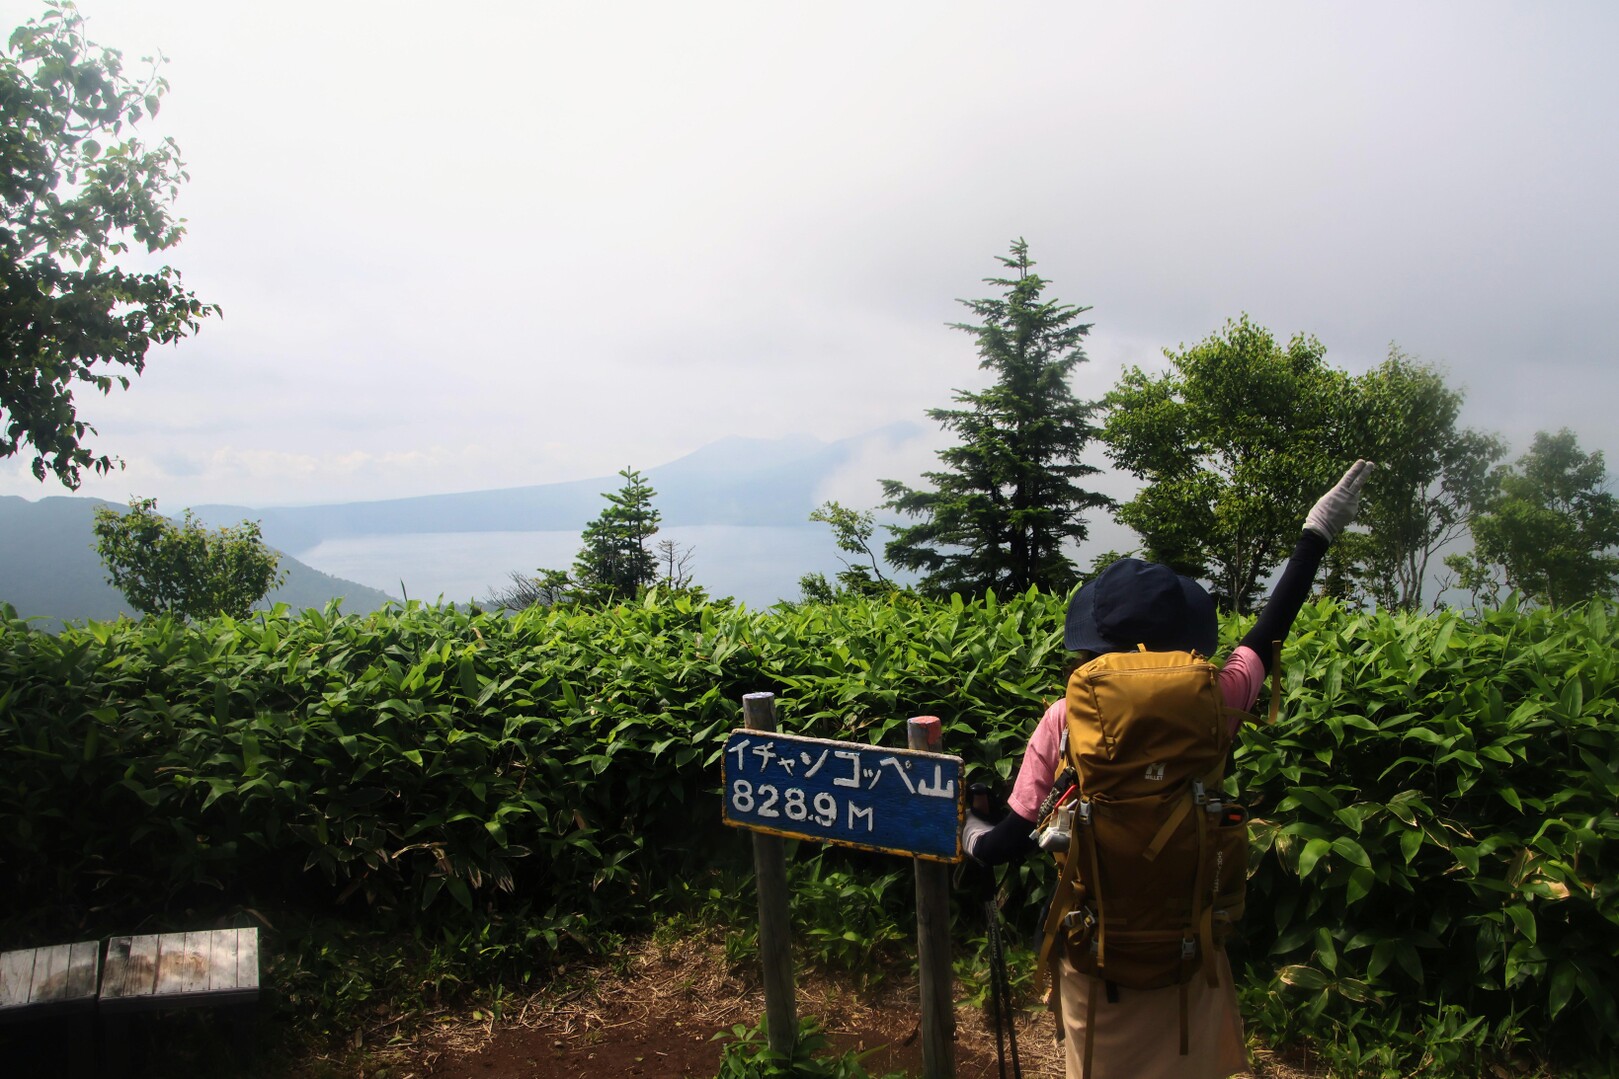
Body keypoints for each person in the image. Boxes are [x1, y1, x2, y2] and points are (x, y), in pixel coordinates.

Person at [961, 460, 1375, 1079]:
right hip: (1190, 947)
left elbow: (1004, 845)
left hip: (1096, 950)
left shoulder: (1062, 721)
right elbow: (1266, 632)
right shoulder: (1219, 702)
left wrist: (967, 827)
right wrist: (1316, 531)